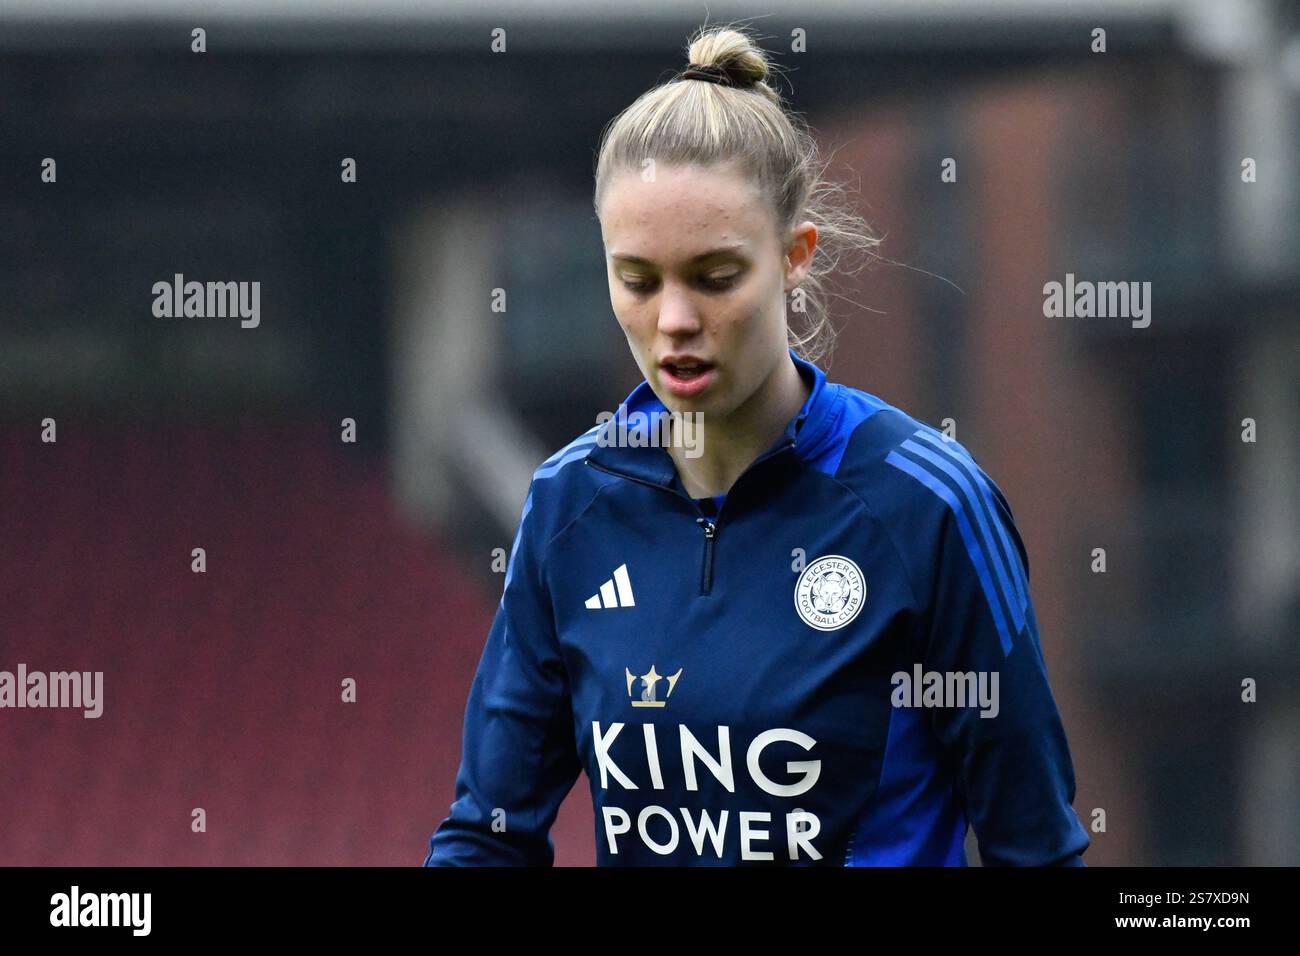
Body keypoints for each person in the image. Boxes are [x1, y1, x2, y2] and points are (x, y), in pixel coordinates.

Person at [424, 24, 1090, 866]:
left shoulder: (930, 505)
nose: (673, 320)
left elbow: (1034, 846)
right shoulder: (569, 505)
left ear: (794, 257)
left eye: (714, 277)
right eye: (637, 279)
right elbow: (488, 837)